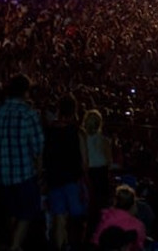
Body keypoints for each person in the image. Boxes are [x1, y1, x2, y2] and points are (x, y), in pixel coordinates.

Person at [0, 73, 44, 251]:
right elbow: (38, 146)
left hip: (2, 174)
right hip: (24, 173)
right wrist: (39, 170)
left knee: (12, 212)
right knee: (27, 212)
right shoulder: (28, 114)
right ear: (26, 92)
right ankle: (15, 246)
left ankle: (14, 242)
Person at [43, 93, 89, 251]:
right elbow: (85, 162)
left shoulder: (49, 131)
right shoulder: (78, 132)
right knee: (76, 219)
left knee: (58, 217)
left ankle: (59, 246)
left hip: (54, 178)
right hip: (72, 180)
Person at [91, 185, 146, 251]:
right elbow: (139, 247)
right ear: (133, 205)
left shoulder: (105, 217)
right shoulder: (138, 225)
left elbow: (95, 241)